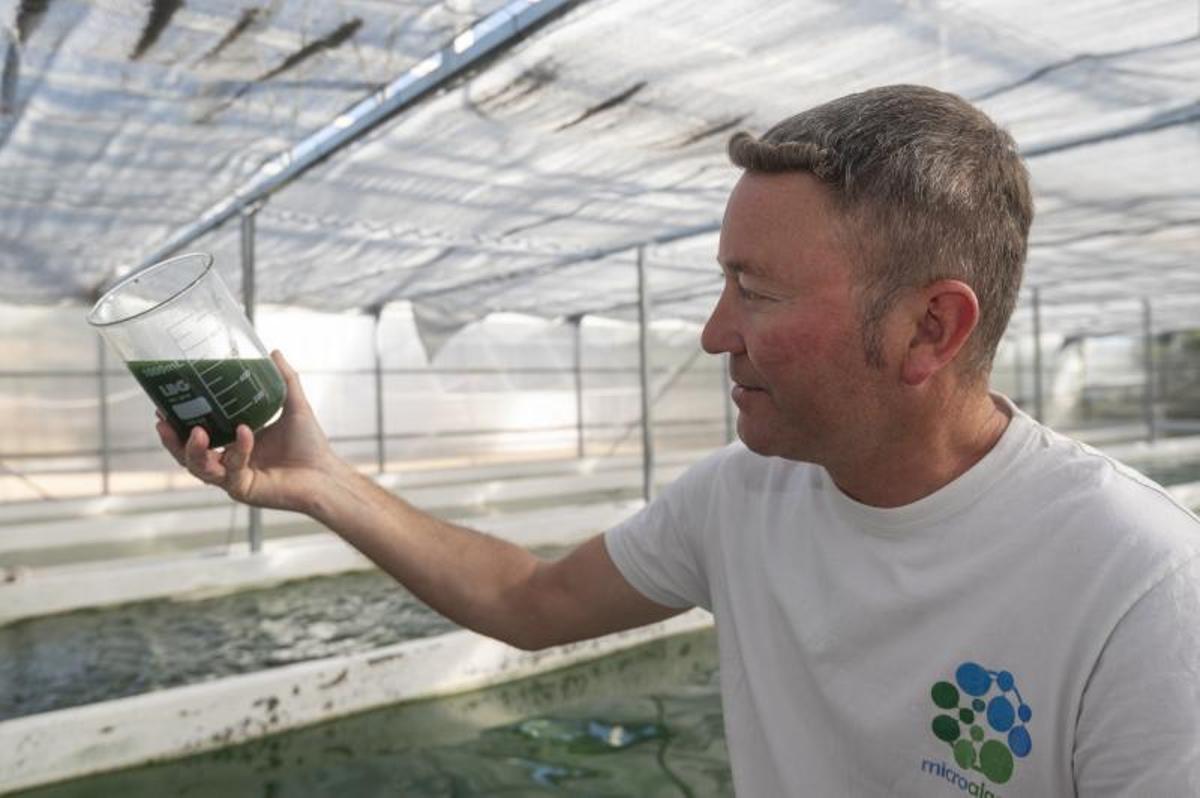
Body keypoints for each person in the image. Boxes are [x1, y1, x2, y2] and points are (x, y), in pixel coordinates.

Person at [158, 85, 1200, 796]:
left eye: (755, 292)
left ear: (932, 327)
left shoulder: (1139, 583)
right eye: (721, 282)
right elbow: (528, 601)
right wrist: (323, 481)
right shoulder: (742, 500)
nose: (713, 332)